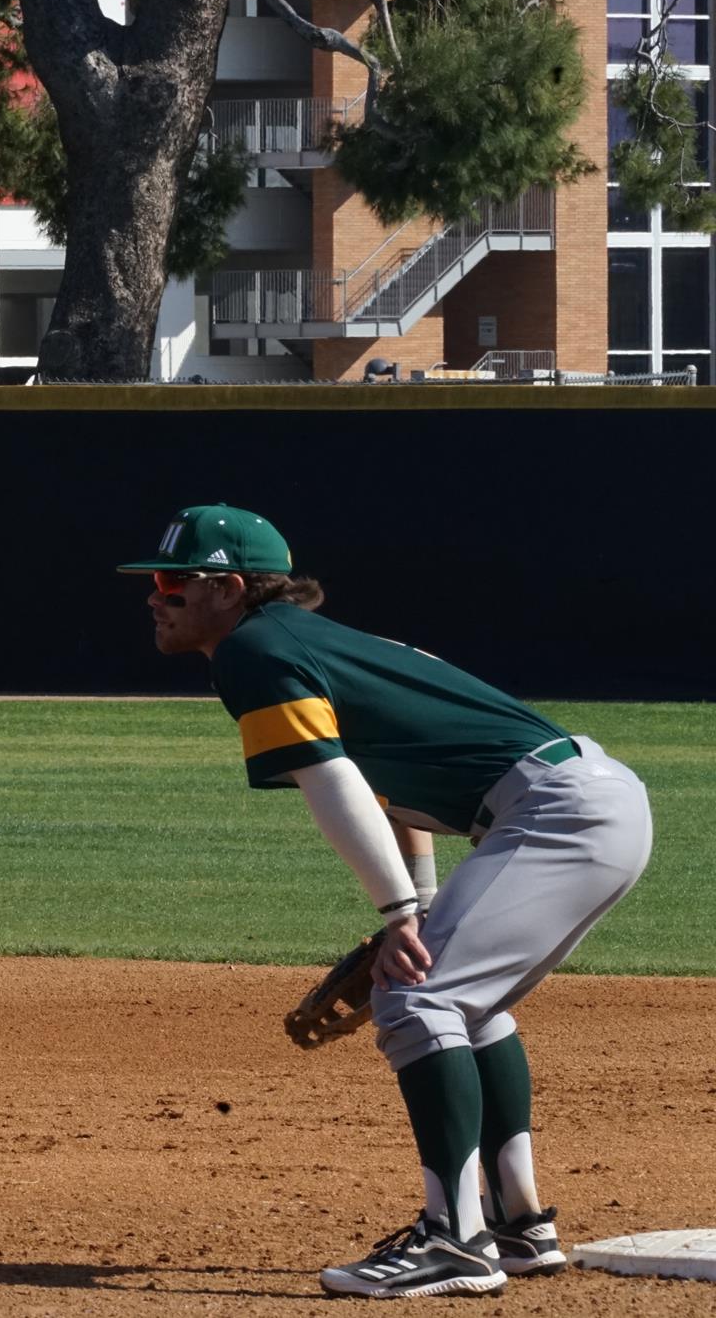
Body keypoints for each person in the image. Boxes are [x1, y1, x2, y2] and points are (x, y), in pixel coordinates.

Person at [120, 503, 651, 1300]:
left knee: (416, 995)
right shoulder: (303, 643)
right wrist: (423, 905)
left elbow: (331, 784)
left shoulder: (254, 648)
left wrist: (399, 914)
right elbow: (377, 788)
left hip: (557, 813)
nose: (153, 598)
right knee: (466, 1000)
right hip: (579, 802)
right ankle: (517, 1223)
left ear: (228, 589)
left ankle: (455, 1241)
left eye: (171, 583)